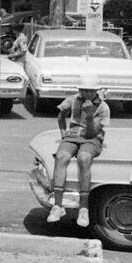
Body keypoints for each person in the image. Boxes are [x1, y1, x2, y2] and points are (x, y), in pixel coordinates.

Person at [48, 75, 110, 228]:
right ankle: (57, 205)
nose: (87, 94)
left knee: (84, 158)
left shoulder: (102, 107)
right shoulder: (73, 99)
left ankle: (83, 207)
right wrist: (63, 132)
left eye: (90, 91)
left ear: (96, 91)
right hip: (73, 134)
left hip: (92, 137)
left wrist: (89, 115)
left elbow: (91, 133)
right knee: (61, 156)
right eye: (84, 90)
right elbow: (61, 113)